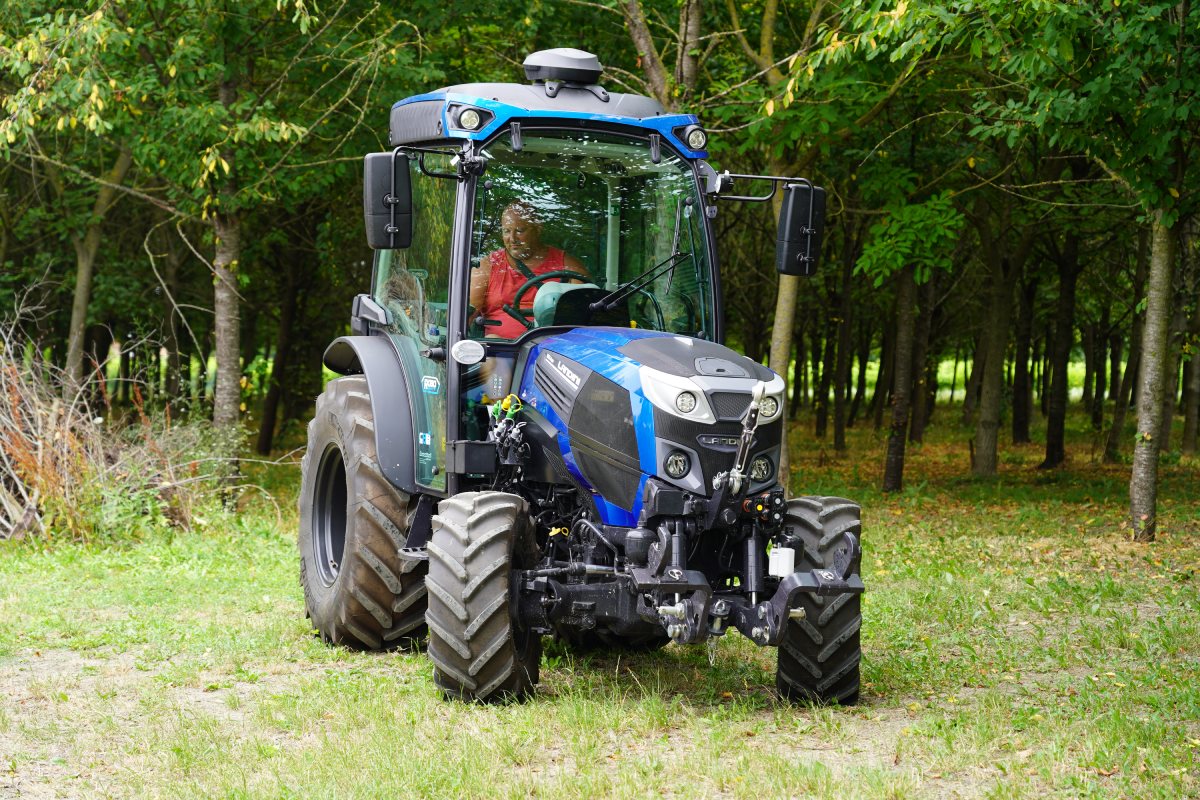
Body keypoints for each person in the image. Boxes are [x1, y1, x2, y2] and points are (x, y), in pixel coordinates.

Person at [469, 201, 586, 339]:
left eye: (520, 230)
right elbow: (467, 314)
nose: (512, 238)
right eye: (506, 231)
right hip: (501, 351)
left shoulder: (567, 265)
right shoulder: (488, 266)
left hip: (550, 351)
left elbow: (583, 314)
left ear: (538, 229)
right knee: (492, 341)